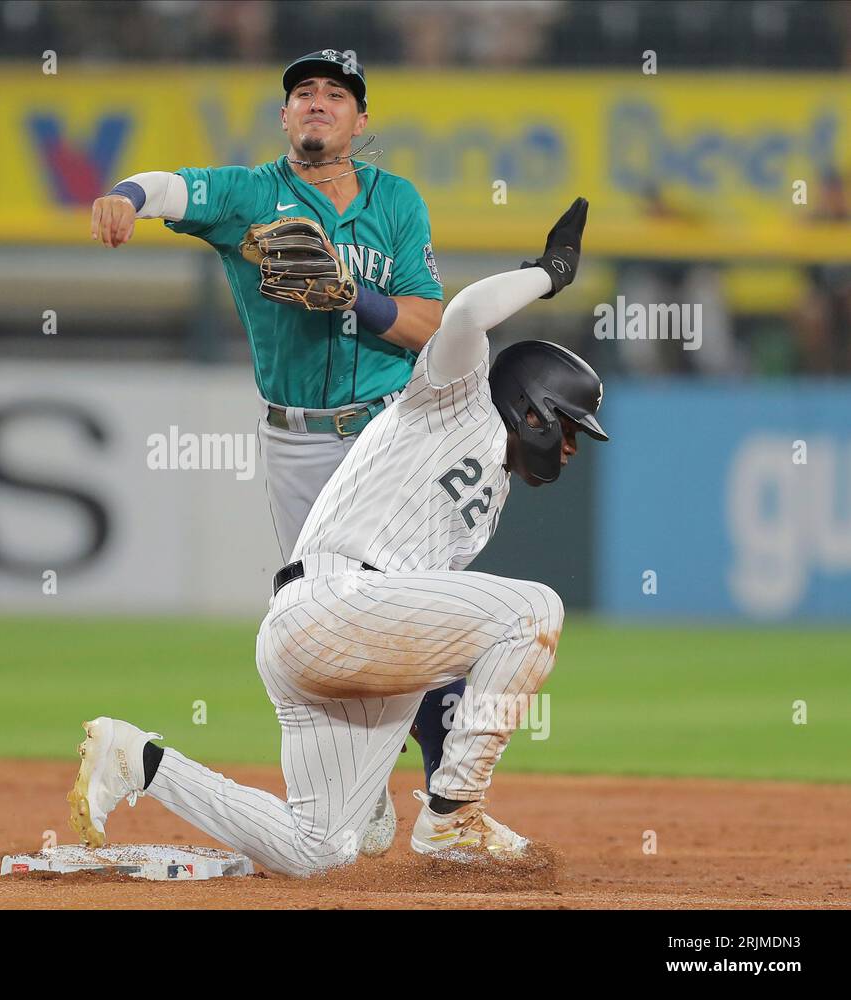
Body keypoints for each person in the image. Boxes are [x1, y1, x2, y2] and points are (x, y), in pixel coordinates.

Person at [68, 198, 609, 874]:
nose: (571, 447)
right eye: (567, 427)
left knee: (319, 849)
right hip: (334, 602)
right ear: (531, 409)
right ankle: (454, 816)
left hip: (345, 646)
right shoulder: (455, 395)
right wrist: (549, 272)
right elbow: (468, 313)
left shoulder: (490, 495)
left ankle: (139, 760)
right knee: (535, 612)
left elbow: (439, 627)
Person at [89, 49, 458, 855]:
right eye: (304, 94)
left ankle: (448, 806)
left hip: (386, 431)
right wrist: (124, 194)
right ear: (286, 117)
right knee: (324, 627)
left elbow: (430, 325)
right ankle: (360, 789)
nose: (319, 103)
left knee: (419, 610)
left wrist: (351, 297)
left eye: (336, 94)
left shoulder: (397, 201)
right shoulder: (253, 195)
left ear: (361, 122)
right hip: (295, 442)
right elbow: (171, 187)